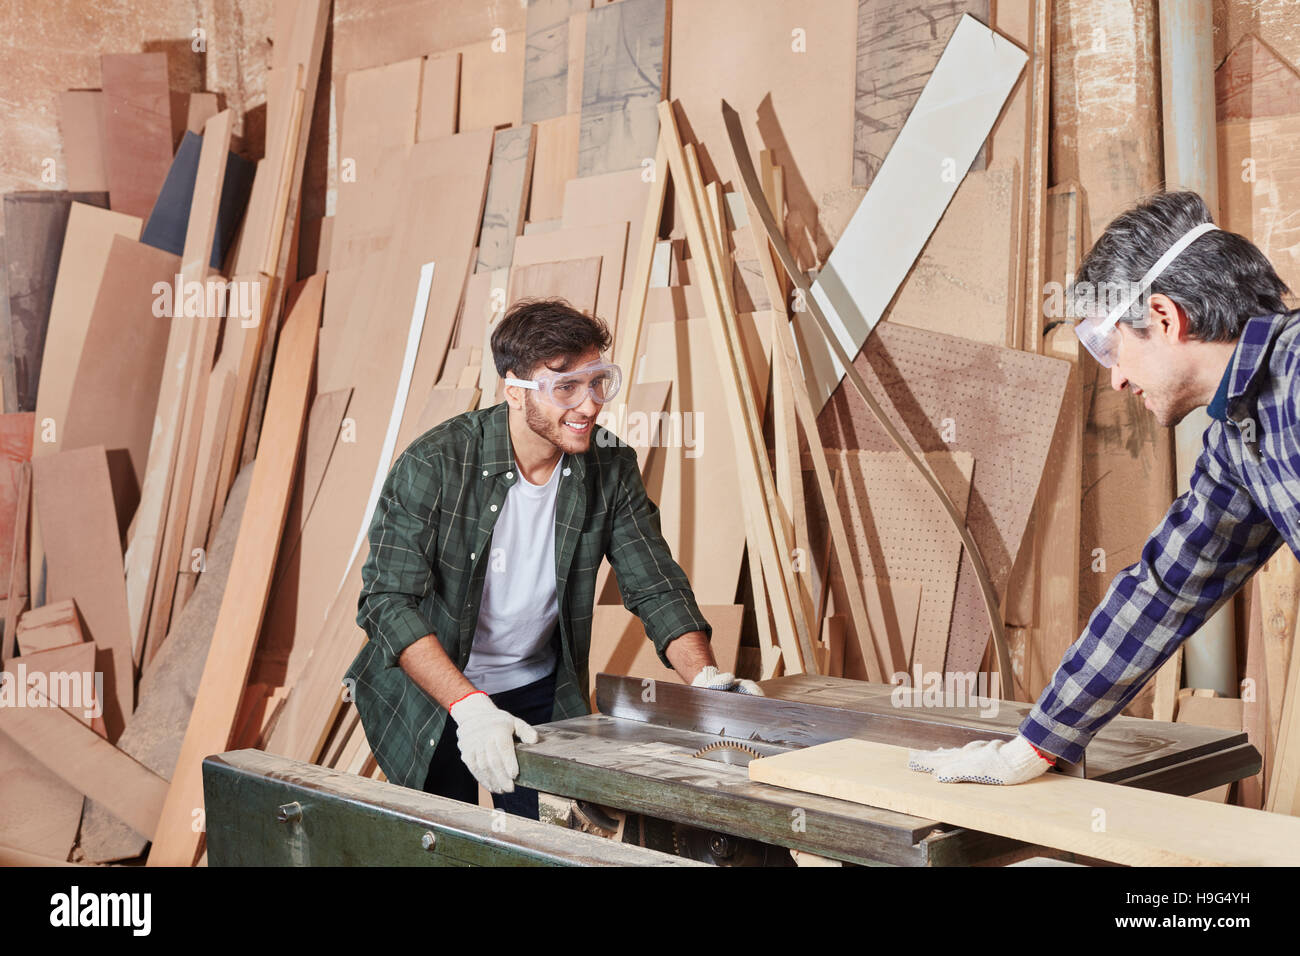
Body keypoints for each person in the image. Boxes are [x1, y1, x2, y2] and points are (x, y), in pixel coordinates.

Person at [910, 190, 1295, 785]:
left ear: (1165, 318)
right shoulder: (1240, 437)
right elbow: (1165, 589)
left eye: (1112, 348)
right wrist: (1033, 746)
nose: (1115, 378)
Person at [347, 298, 759, 818]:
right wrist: (470, 708)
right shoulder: (435, 464)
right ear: (515, 391)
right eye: (565, 387)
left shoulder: (610, 465)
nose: (589, 406)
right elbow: (387, 602)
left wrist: (705, 681)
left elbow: (654, 584)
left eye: (597, 382)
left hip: (538, 688)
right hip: (432, 693)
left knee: (541, 840)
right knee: (441, 838)